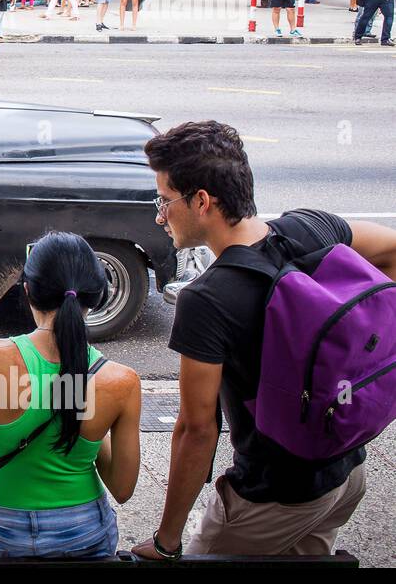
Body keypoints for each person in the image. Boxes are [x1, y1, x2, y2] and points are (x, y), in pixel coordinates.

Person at [133, 120, 396, 559]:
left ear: (201, 201)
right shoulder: (312, 228)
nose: (160, 215)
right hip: (346, 474)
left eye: (164, 200)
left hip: (274, 497)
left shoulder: (207, 299)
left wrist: (167, 540)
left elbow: (197, 430)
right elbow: (390, 253)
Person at [0, 231, 141, 559]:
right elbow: (123, 488)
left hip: (3, 531)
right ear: (97, 295)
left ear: (29, 289)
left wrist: (1, 418)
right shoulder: (122, 382)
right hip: (83, 530)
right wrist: (83, 424)